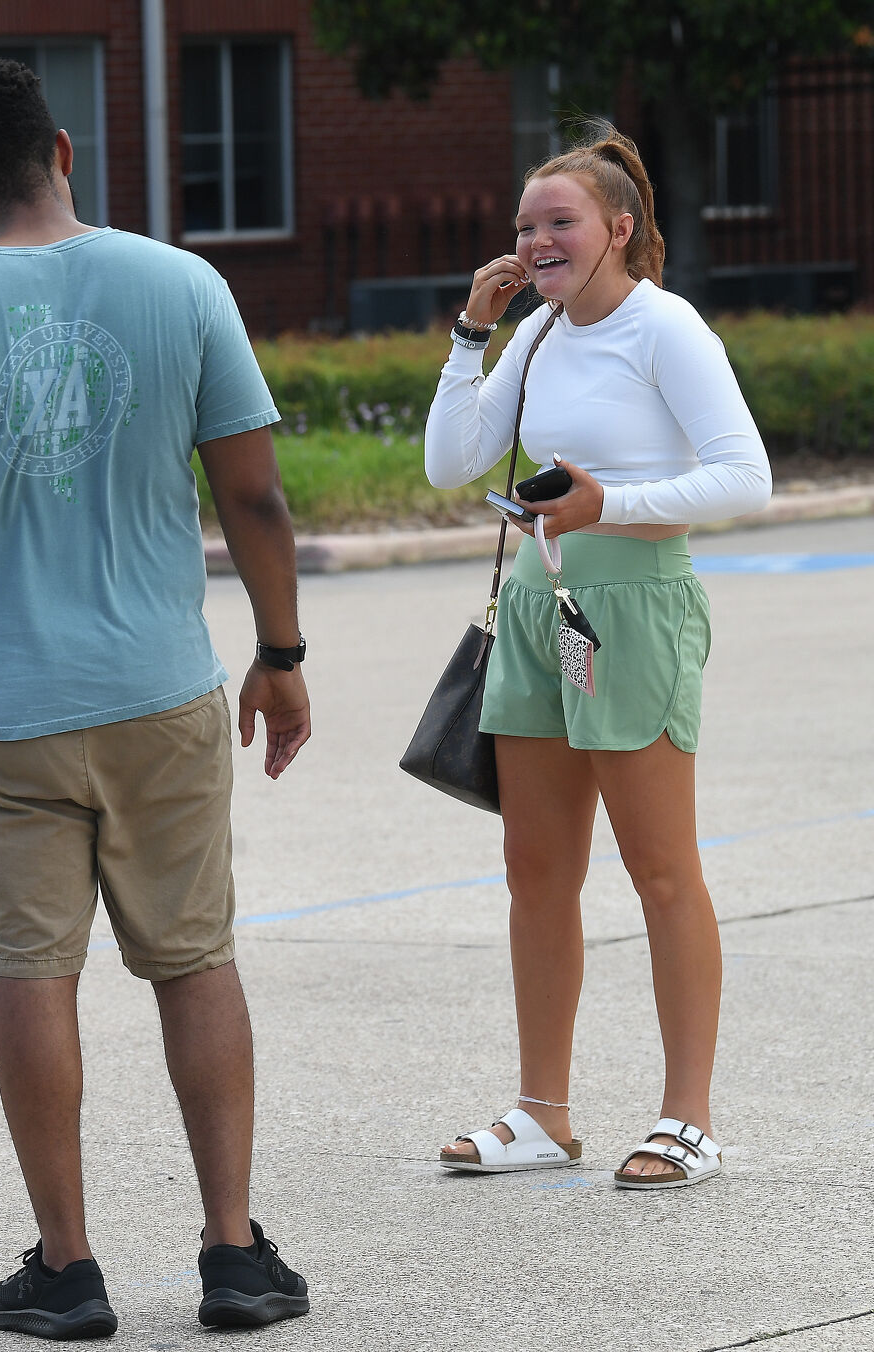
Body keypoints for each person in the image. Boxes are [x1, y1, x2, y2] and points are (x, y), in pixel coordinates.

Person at [0, 60, 312, 1336]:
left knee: (30, 968)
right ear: (60, 145)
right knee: (193, 957)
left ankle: (67, 1265)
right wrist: (281, 650)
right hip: (160, 684)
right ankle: (232, 1255)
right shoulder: (185, 282)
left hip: (6, 705)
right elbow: (253, 496)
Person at [424, 123, 771, 1189]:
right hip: (539, 606)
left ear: (617, 228)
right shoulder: (532, 337)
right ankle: (541, 1110)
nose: (534, 241)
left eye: (558, 222)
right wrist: (469, 335)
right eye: (524, 225)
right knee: (535, 868)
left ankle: (688, 1116)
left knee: (660, 868)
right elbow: (451, 462)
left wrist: (606, 503)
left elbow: (743, 477)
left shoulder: (664, 329)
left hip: (633, 603)